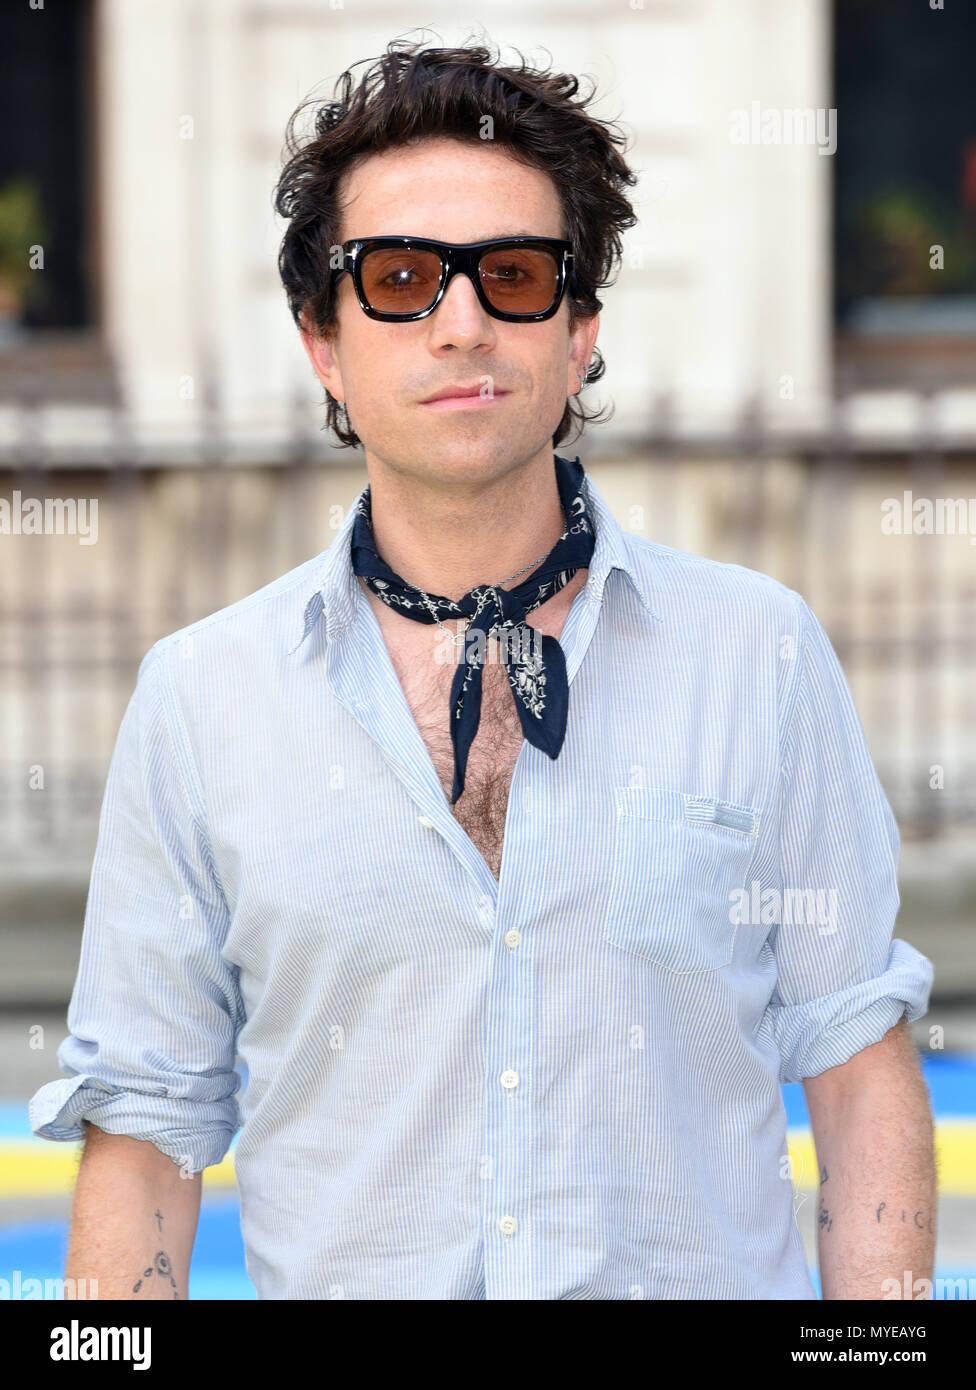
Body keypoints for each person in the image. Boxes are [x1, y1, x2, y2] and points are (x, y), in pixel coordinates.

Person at [30, 38, 935, 1301]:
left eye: (513, 276)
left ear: (578, 337)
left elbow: (854, 1062)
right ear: (324, 346)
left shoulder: (759, 651)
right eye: (399, 278)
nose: (461, 321)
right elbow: (144, 1132)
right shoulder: (200, 701)